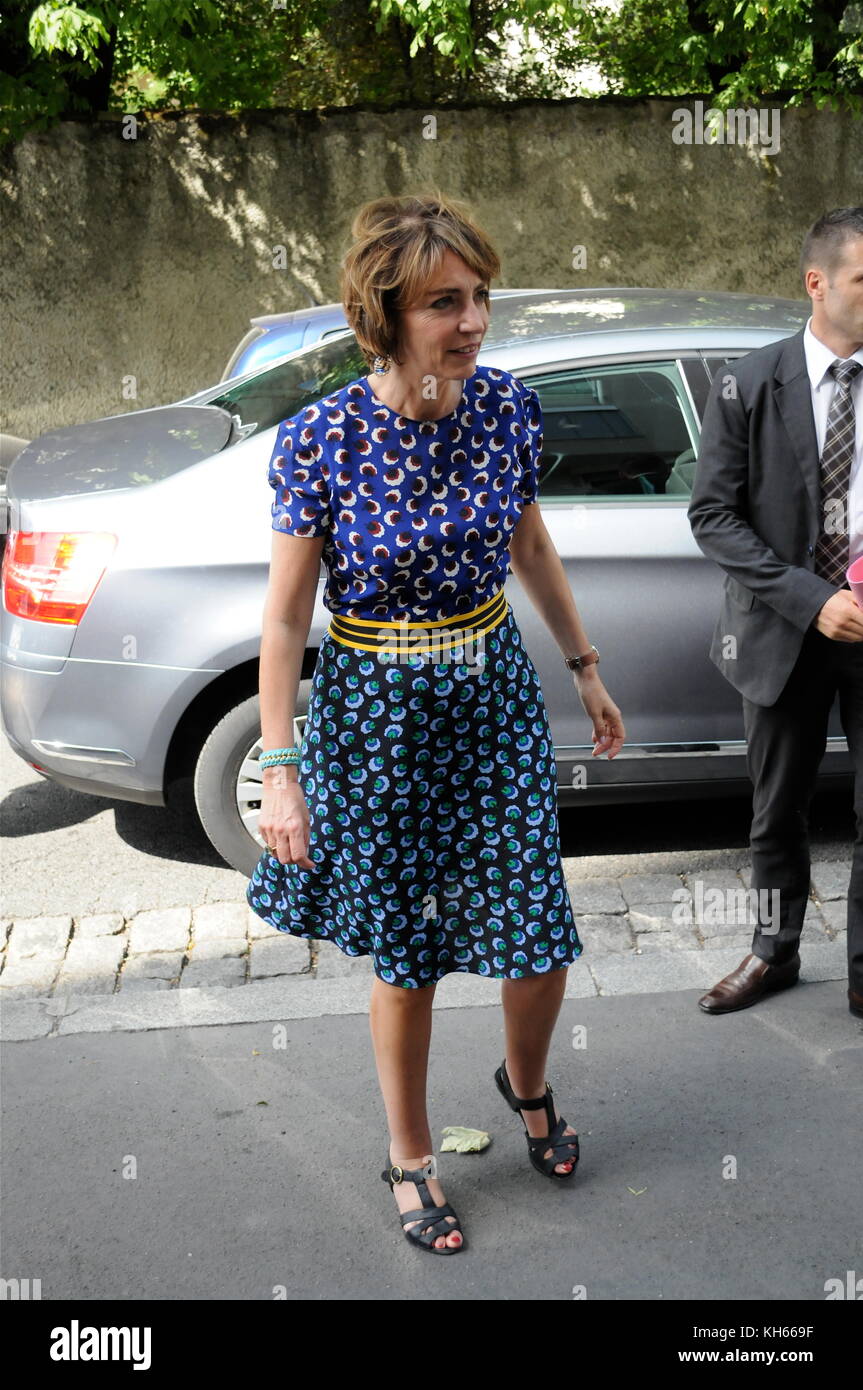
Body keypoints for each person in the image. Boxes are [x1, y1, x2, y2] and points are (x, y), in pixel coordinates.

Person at [246, 191, 625, 1255]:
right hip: (374, 714)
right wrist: (281, 768)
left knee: (535, 927)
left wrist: (585, 667)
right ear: (384, 314)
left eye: (479, 299)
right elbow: (281, 619)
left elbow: (532, 549)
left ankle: (526, 1083)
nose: (470, 323)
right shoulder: (321, 439)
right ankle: (409, 1153)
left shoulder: (504, 409)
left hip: (492, 693)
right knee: (406, 951)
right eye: (442, 303)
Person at [688, 206, 863, 1019]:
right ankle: (771, 953)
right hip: (782, 629)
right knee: (776, 812)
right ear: (816, 283)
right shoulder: (748, 382)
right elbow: (713, 517)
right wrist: (813, 599)